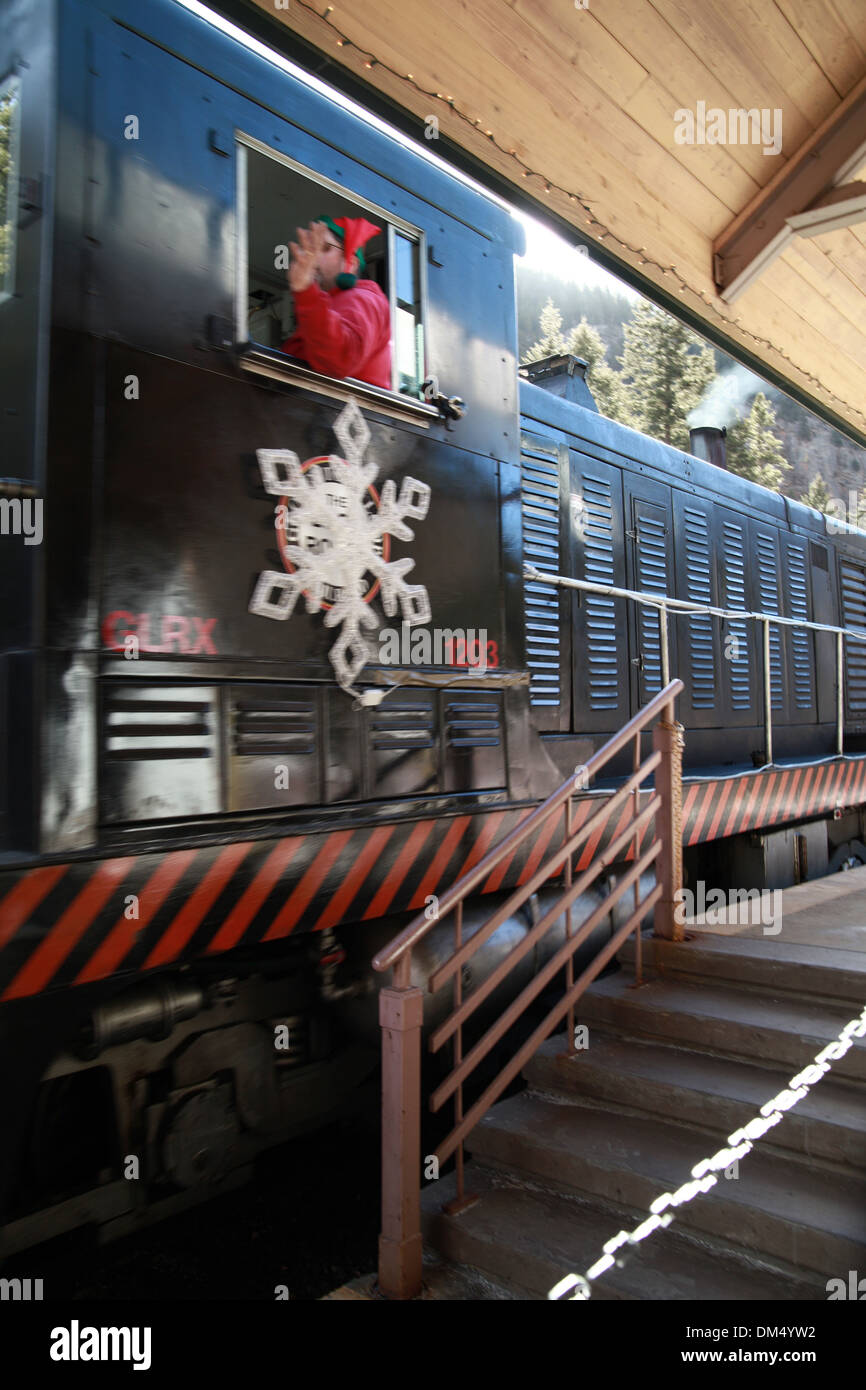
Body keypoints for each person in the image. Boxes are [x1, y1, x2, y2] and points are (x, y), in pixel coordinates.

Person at [282, 217, 392, 389]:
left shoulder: (363, 298)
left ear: (351, 263)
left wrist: (306, 292)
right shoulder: (330, 302)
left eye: (324, 248)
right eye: (311, 248)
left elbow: (340, 360)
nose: (315, 257)